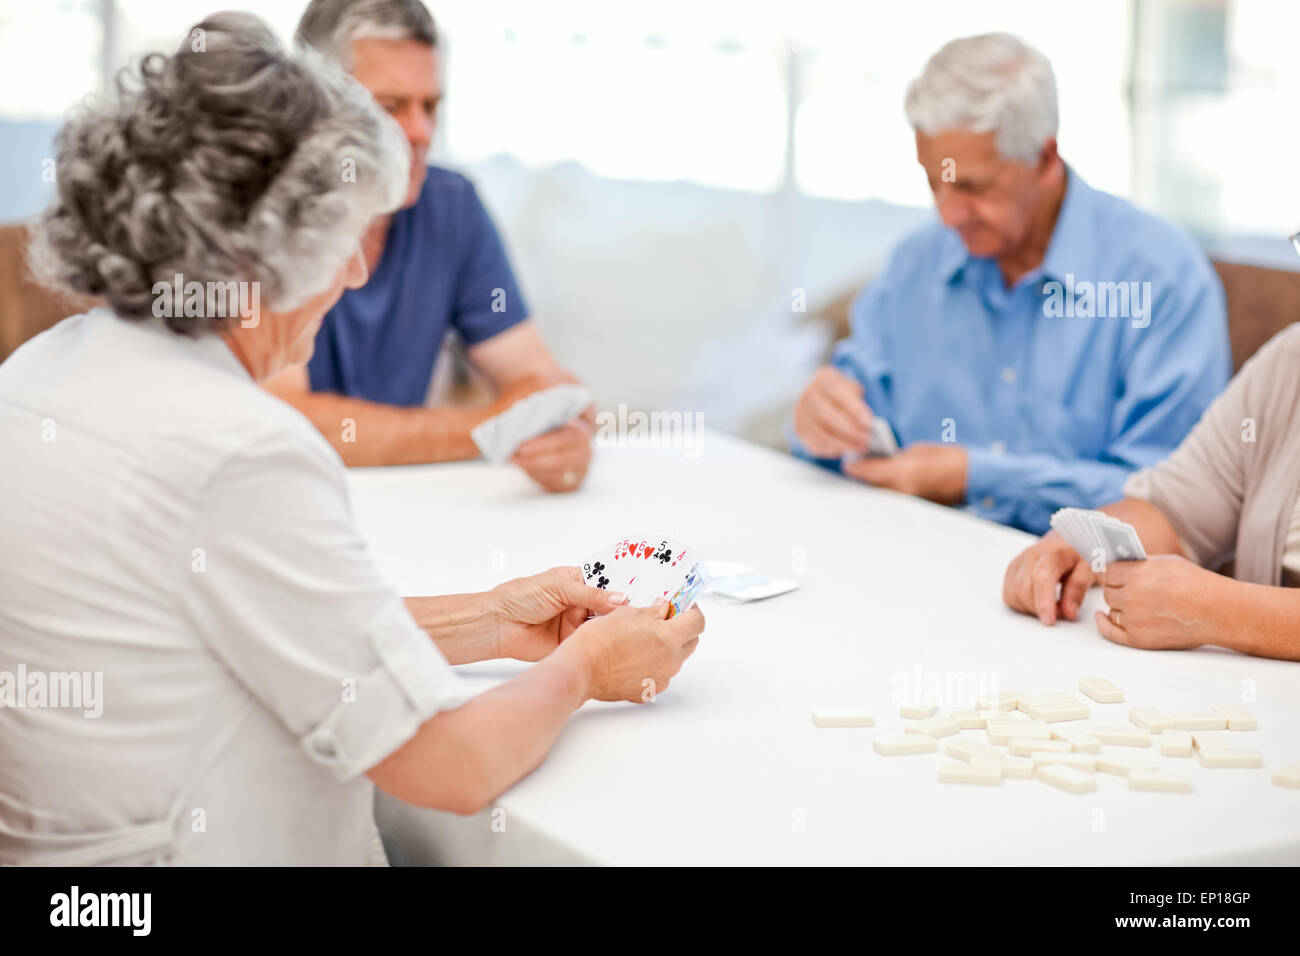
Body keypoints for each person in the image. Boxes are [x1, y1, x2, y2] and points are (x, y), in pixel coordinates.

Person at [0, 14, 703, 866]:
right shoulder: (241, 449)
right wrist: (589, 668)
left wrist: (491, 620)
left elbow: (249, 628)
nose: (359, 270)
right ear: (261, 252)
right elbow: (453, 765)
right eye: (340, 236)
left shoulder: (36, 374)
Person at [790, 32, 1230, 534]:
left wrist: (973, 476)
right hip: (905, 557)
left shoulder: (1161, 279)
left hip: (1075, 590)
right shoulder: (915, 265)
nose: (948, 213)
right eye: (933, 180)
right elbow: (845, 427)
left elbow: (1173, 501)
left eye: (971, 186)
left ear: (1044, 160)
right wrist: (815, 421)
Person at [263, 0, 593, 492]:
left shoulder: (450, 206)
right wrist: (488, 427)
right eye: (390, 107)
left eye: (431, 106)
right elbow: (285, 424)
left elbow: (546, 385)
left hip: (408, 512)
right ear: (315, 108)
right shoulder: (259, 208)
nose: (421, 131)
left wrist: (567, 430)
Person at [1003, 310, 1300, 662]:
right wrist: (1083, 542)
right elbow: (1174, 513)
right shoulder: (1288, 362)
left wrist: (1223, 611)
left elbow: (1218, 607)